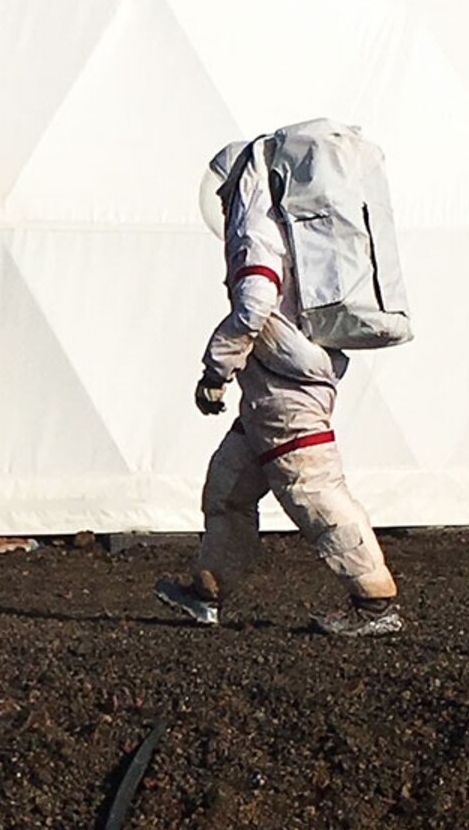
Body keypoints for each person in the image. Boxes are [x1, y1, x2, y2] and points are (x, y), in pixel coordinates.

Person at [155, 136, 403, 636]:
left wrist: (215, 369)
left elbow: (253, 305)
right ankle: (208, 592)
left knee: (314, 492)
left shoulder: (256, 233)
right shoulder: (281, 226)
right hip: (270, 393)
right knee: (227, 487)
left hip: (287, 396)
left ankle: (376, 602)